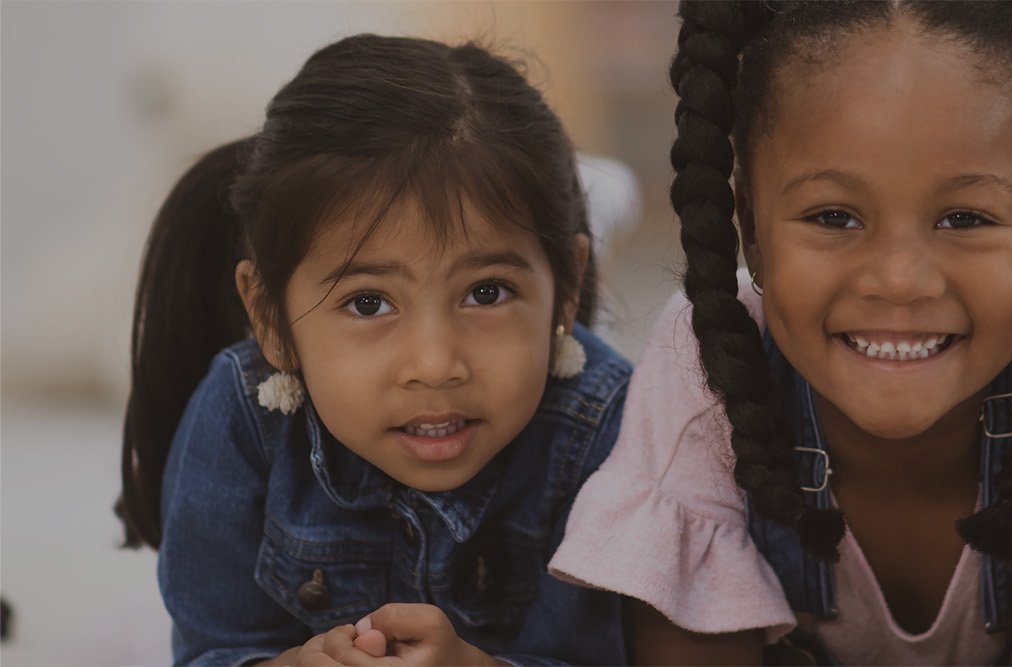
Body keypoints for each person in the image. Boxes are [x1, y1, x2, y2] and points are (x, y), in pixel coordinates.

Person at [548, 2, 1012, 664]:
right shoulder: (704, 363)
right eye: (834, 217)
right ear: (750, 229)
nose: (900, 280)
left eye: (964, 218)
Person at [117, 34, 633, 666]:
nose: (435, 366)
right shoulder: (243, 417)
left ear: (567, 286)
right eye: (368, 303)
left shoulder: (603, 426)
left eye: (487, 292)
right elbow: (213, 649)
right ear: (270, 317)